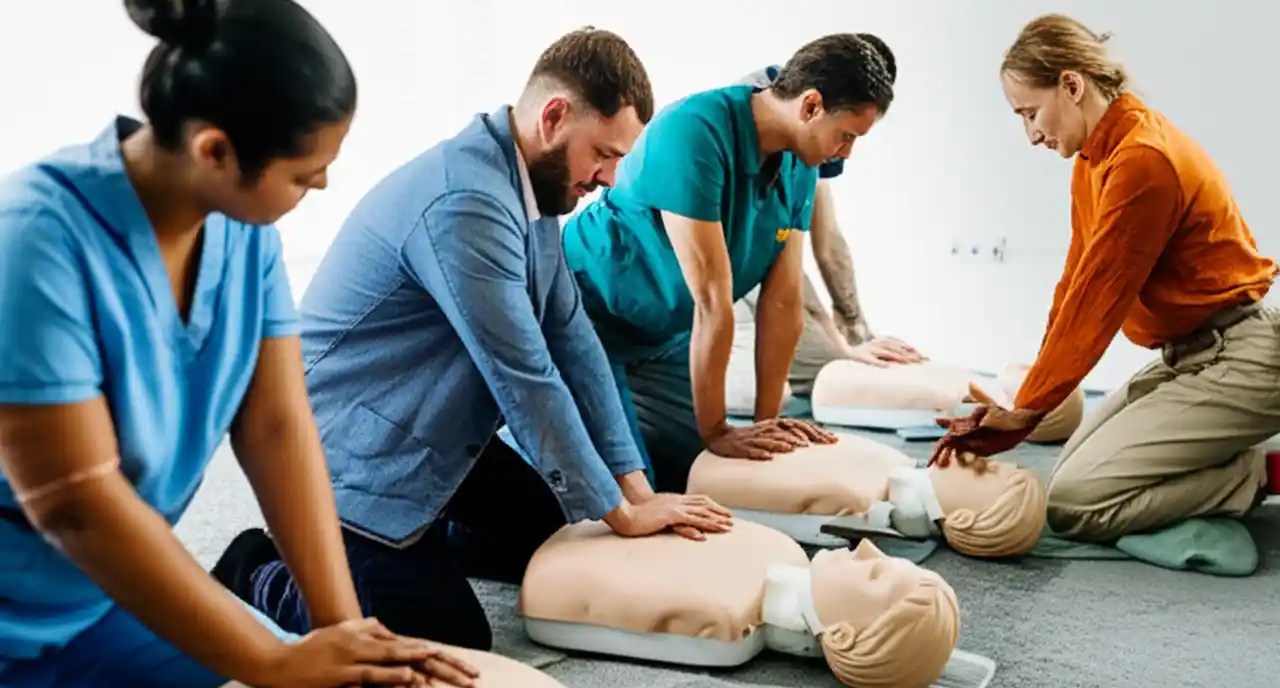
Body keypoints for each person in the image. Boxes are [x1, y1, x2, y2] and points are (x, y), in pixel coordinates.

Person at [0, 2, 478, 688]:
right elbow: (78, 506)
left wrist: (342, 627)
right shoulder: (36, 240)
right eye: (304, 172)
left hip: (106, 600)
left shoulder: (241, 231)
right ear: (215, 151)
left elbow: (276, 427)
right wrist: (273, 660)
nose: (319, 187)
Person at [212, 27, 734, 654]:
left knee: (549, 529)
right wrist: (619, 512)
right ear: (554, 116)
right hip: (348, 445)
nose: (609, 177)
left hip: (425, 422)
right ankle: (260, 568)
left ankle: (410, 548)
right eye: (604, 153)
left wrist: (636, 489)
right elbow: (525, 372)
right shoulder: (467, 200)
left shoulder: (530, 188)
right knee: (448, 637)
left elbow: (572, 338)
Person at [930, 14, 1280, 544]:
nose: (1030, 135)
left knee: (1074, 503)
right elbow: (1073, 287)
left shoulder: (1143, 159)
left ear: (1071, 85)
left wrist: (1025, 411)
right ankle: (1220, 451)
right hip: (1190, 356)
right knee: (1074, 466)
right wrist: (1024, 404)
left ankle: (1259, 472)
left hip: (1241, 359)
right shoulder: (1094, 160)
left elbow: (1097, 304)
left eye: (1031, 113)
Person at [561, 33, 897, 492]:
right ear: (811, 105)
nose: (847, 152)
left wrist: (767, 422)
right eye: (847, 136)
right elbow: (712, 300)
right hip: (587, 319)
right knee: (632, 492)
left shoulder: (801, 165)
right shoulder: (694, 131)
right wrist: (717, 428)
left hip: (664, 336)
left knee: (703, 475)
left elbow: (783, 302)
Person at [731, 47, 924, 403]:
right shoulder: (773, 116)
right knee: (826, 371)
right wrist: (842, 348)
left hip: (762, 261)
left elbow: (826, 238)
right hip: (733, 268)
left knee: (847, 356)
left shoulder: (817, 131)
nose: (847, 151)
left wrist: (855, 328)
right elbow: (777, 263)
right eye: (848, 135)